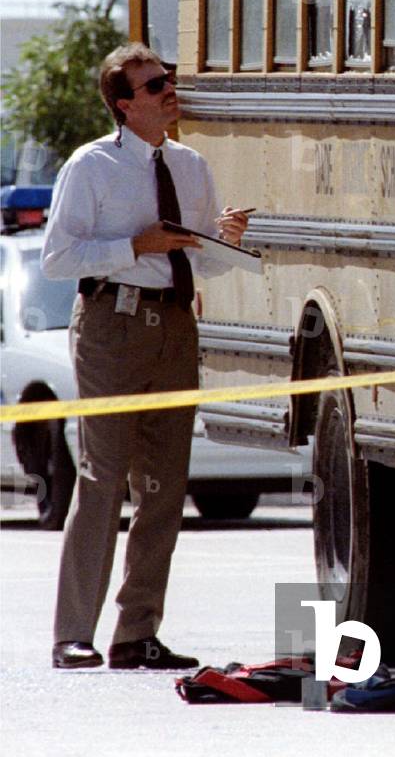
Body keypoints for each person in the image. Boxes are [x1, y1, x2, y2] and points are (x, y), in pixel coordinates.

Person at [42, 42, 250, 670]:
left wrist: (227, 240)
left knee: (163, 488)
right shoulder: (91, 166)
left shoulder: (189, 165)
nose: (168, 90)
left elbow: (199, 258)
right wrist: (134, 245)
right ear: (125, 105)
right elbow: (57, 259)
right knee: (103, 478)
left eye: (170, 79)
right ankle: (72, 633)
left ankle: (137, 633)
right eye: (155, 83)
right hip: (112, 325)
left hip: (173, 328)